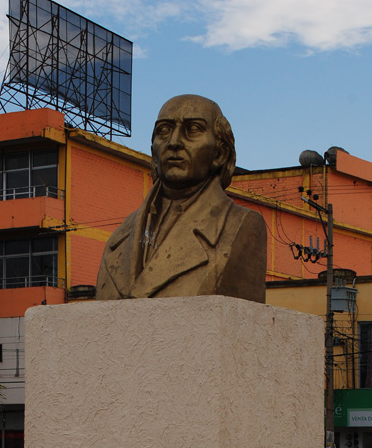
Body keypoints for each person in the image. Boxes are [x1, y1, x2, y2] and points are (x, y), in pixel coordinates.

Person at [95, 94, 266, 302]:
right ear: (153, 152)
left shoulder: (242, 226)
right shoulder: (120, 237)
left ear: (220, 153)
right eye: (164, 131)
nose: (173, 142)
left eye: (193, 129)